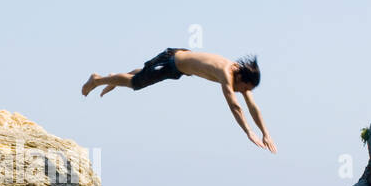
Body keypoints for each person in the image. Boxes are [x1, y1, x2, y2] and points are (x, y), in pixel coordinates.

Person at [82, 48, 277, 151]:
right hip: (171, 61)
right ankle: (98, 79)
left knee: (143, 75)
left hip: (181, 67)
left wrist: (266, 133)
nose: (243, 92)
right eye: (244, 88)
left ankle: (116, 76)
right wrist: (248, 132)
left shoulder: (240, 77)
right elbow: (234, 105)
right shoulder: (226, 73)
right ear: (242, 78)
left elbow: (252, 107)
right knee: (135, 83)